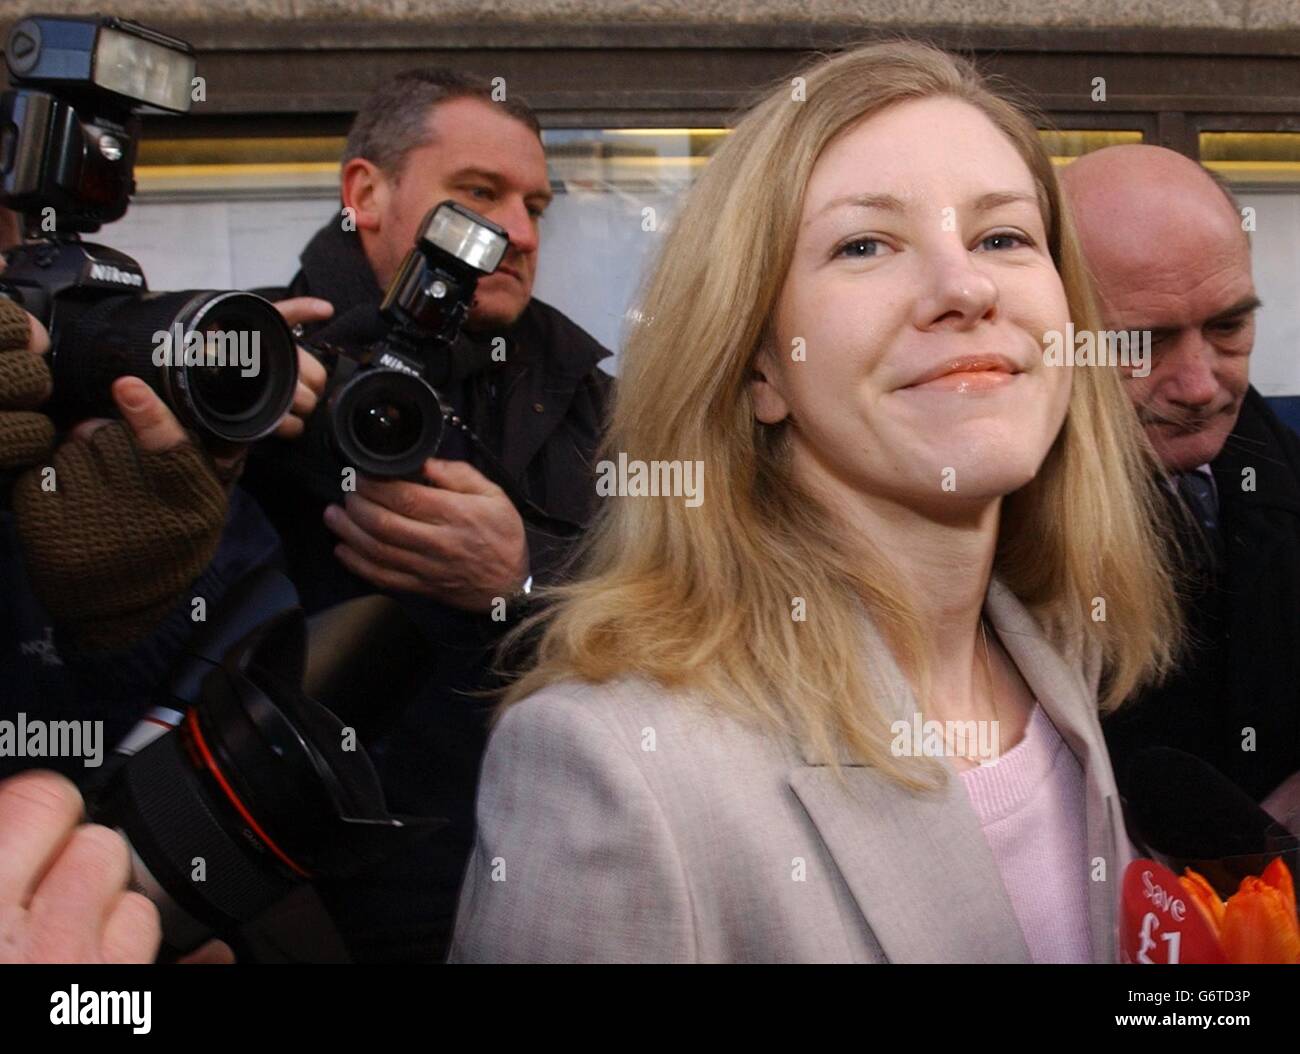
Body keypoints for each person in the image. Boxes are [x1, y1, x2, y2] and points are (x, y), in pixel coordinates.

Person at [449, 40, 1182, 964]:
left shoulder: (1056, 666)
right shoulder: (615, 769)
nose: (965, 286)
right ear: (761, 368)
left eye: (1003, 236)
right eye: (864, 244)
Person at [242, 69, 613, 962]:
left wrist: (528, 579)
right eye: (479, 196)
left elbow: (691, 608)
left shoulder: (596, 405)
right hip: (302, 915)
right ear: (365, 195)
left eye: (537, 206)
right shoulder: (249, 382)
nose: (519, 234)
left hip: (571, 888)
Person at [1059, 146, 1300, 807]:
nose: (1199, 384)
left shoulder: (1282, 469)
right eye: (1141, 343)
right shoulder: (975, 535)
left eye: (1228, 327)